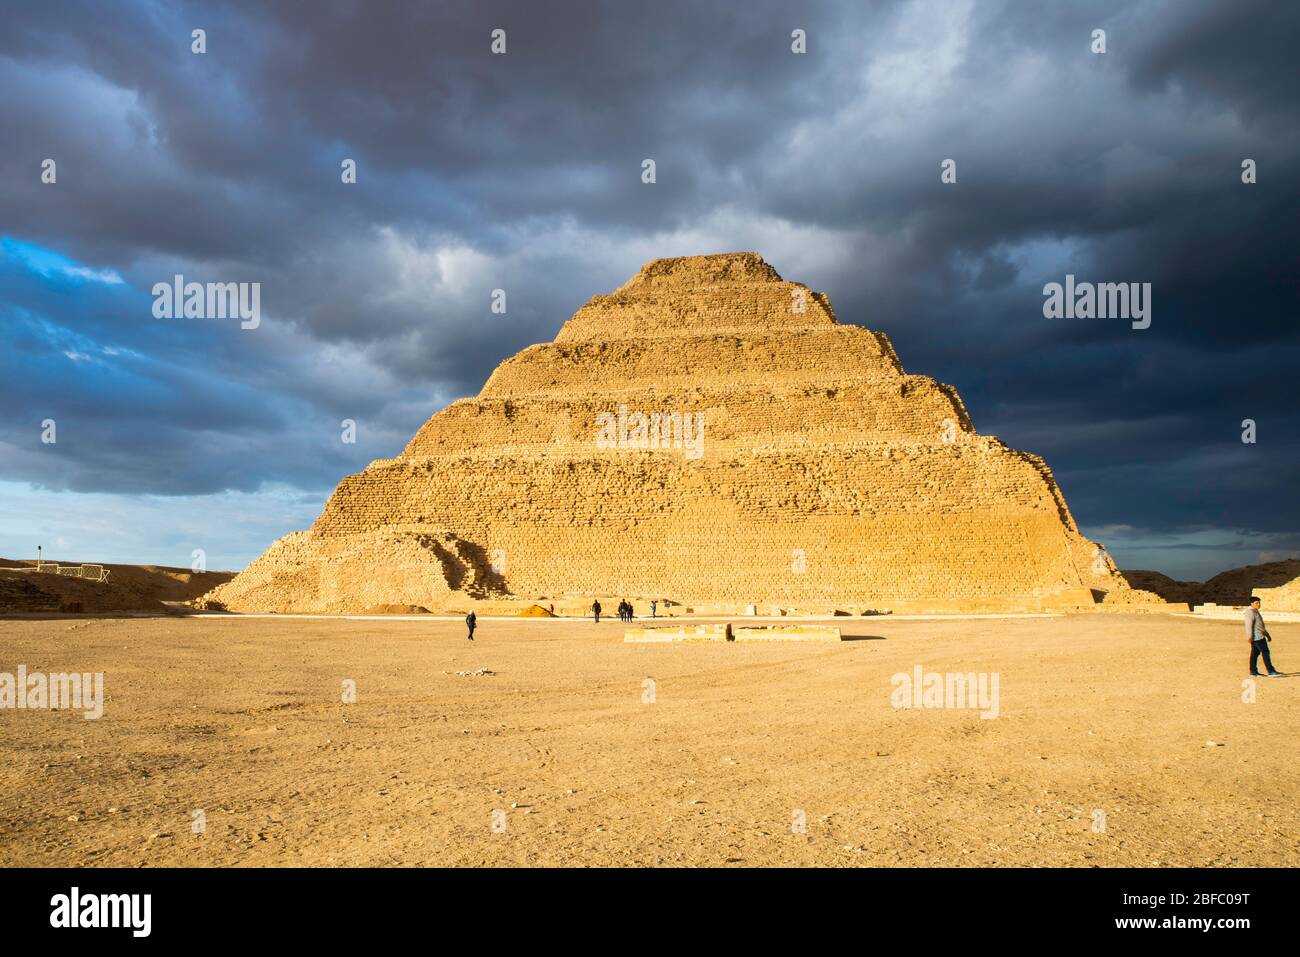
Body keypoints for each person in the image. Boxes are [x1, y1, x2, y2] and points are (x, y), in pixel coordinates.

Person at [1245, 596, 1281, 677]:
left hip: (1259, 636)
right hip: (1257, 637)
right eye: (1256, 603)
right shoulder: (1250, 612)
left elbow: (1260, 626)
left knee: (1255, 654)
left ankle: (1253, 672)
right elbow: (1248, 625)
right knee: (1265, 652)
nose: (1258, 604)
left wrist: (1267, 635)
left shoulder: (1255, 611)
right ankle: (1271, 671)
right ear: (1251, 604)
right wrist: (1249, 637)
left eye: (1259, 603)